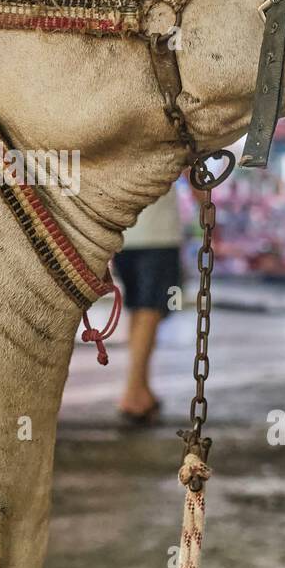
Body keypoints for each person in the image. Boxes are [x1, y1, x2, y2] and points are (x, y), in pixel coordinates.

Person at [112, 181, 187, 425]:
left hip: (124, 230)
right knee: (150, 309)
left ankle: (141, 387)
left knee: (137, 309)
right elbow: (195, 170)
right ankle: (133, 393)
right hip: (157, 234)